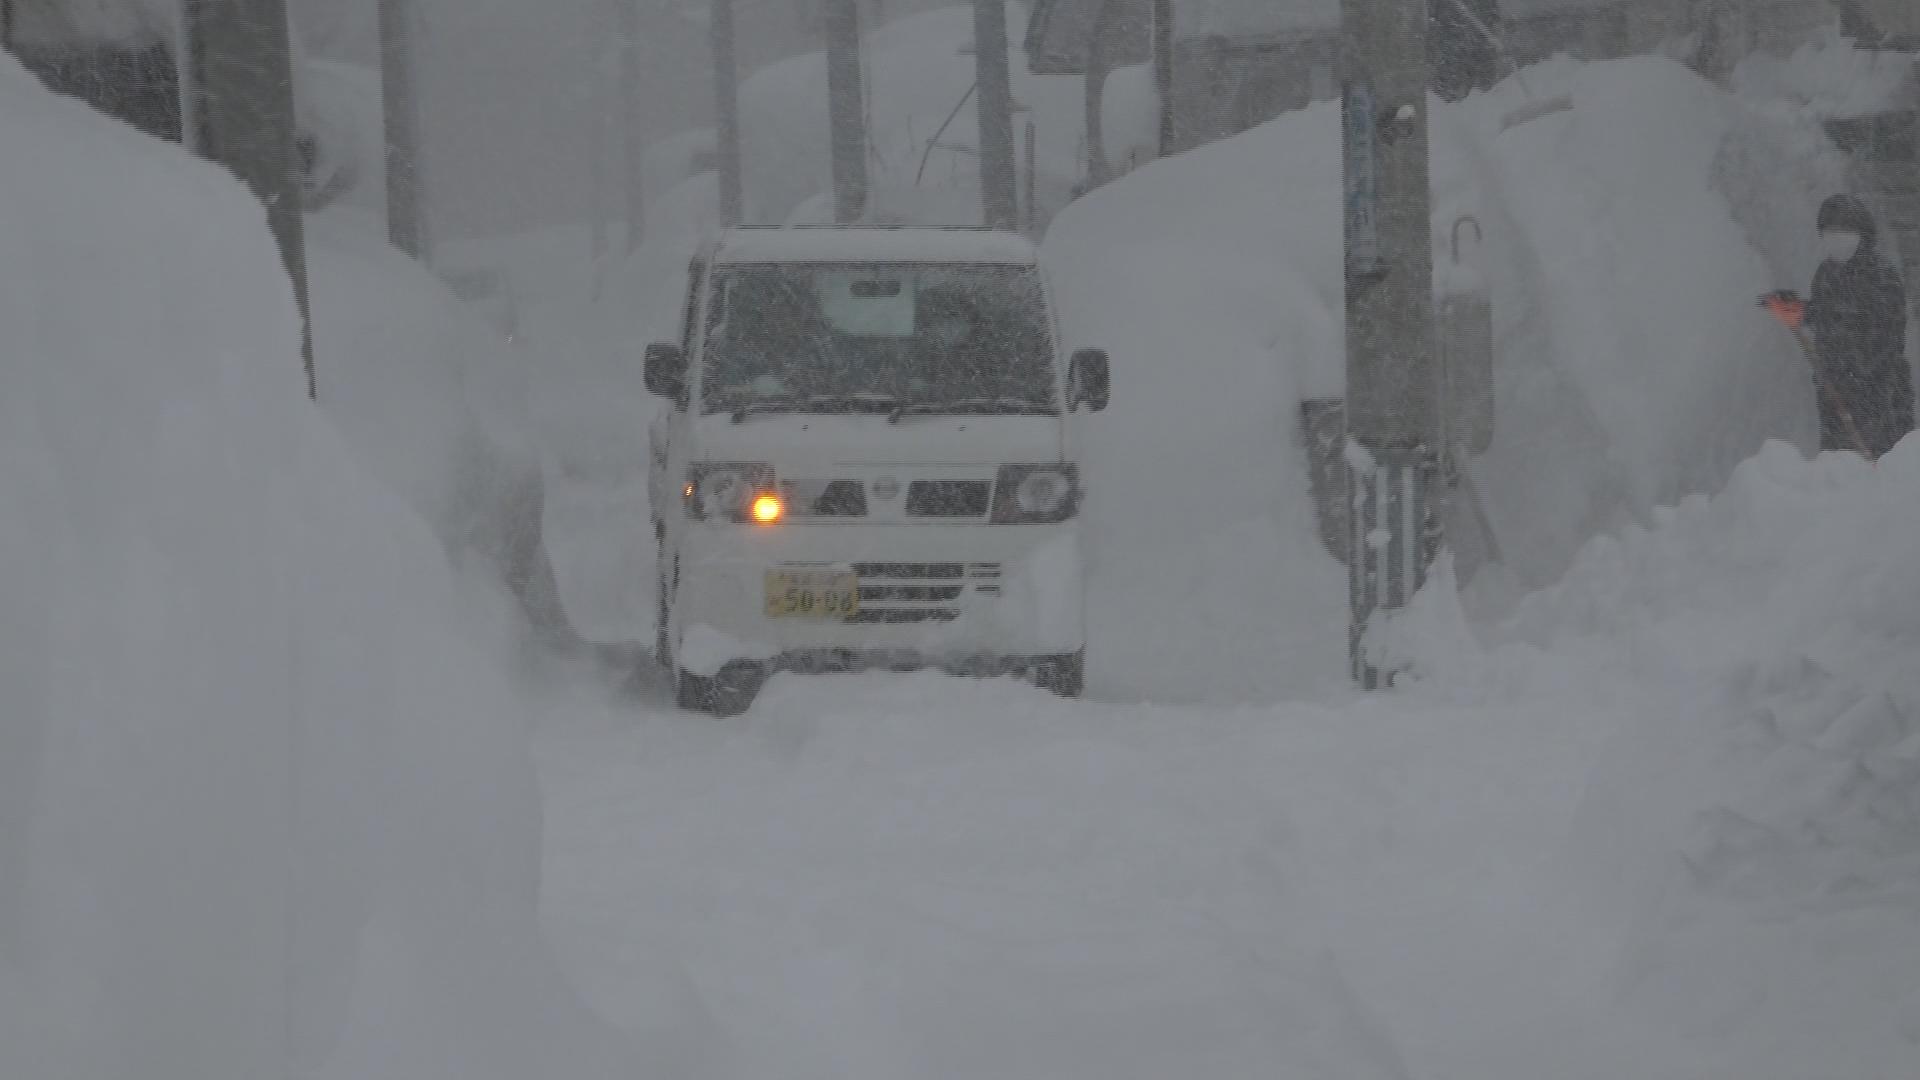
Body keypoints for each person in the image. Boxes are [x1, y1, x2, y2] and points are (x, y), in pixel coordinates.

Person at [1765, 194, 1913, 458]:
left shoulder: (1882, 274)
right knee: (1838, 465)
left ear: (1862, 233)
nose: (1835, 237)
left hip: (1880, 390)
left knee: (1880, 465)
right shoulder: (1826, 274)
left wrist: (1809, 312)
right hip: (1836, 389)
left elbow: (1877, 329)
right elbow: (1829, 321)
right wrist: (1799, 310)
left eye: (1844, 230)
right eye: (1829, 231)